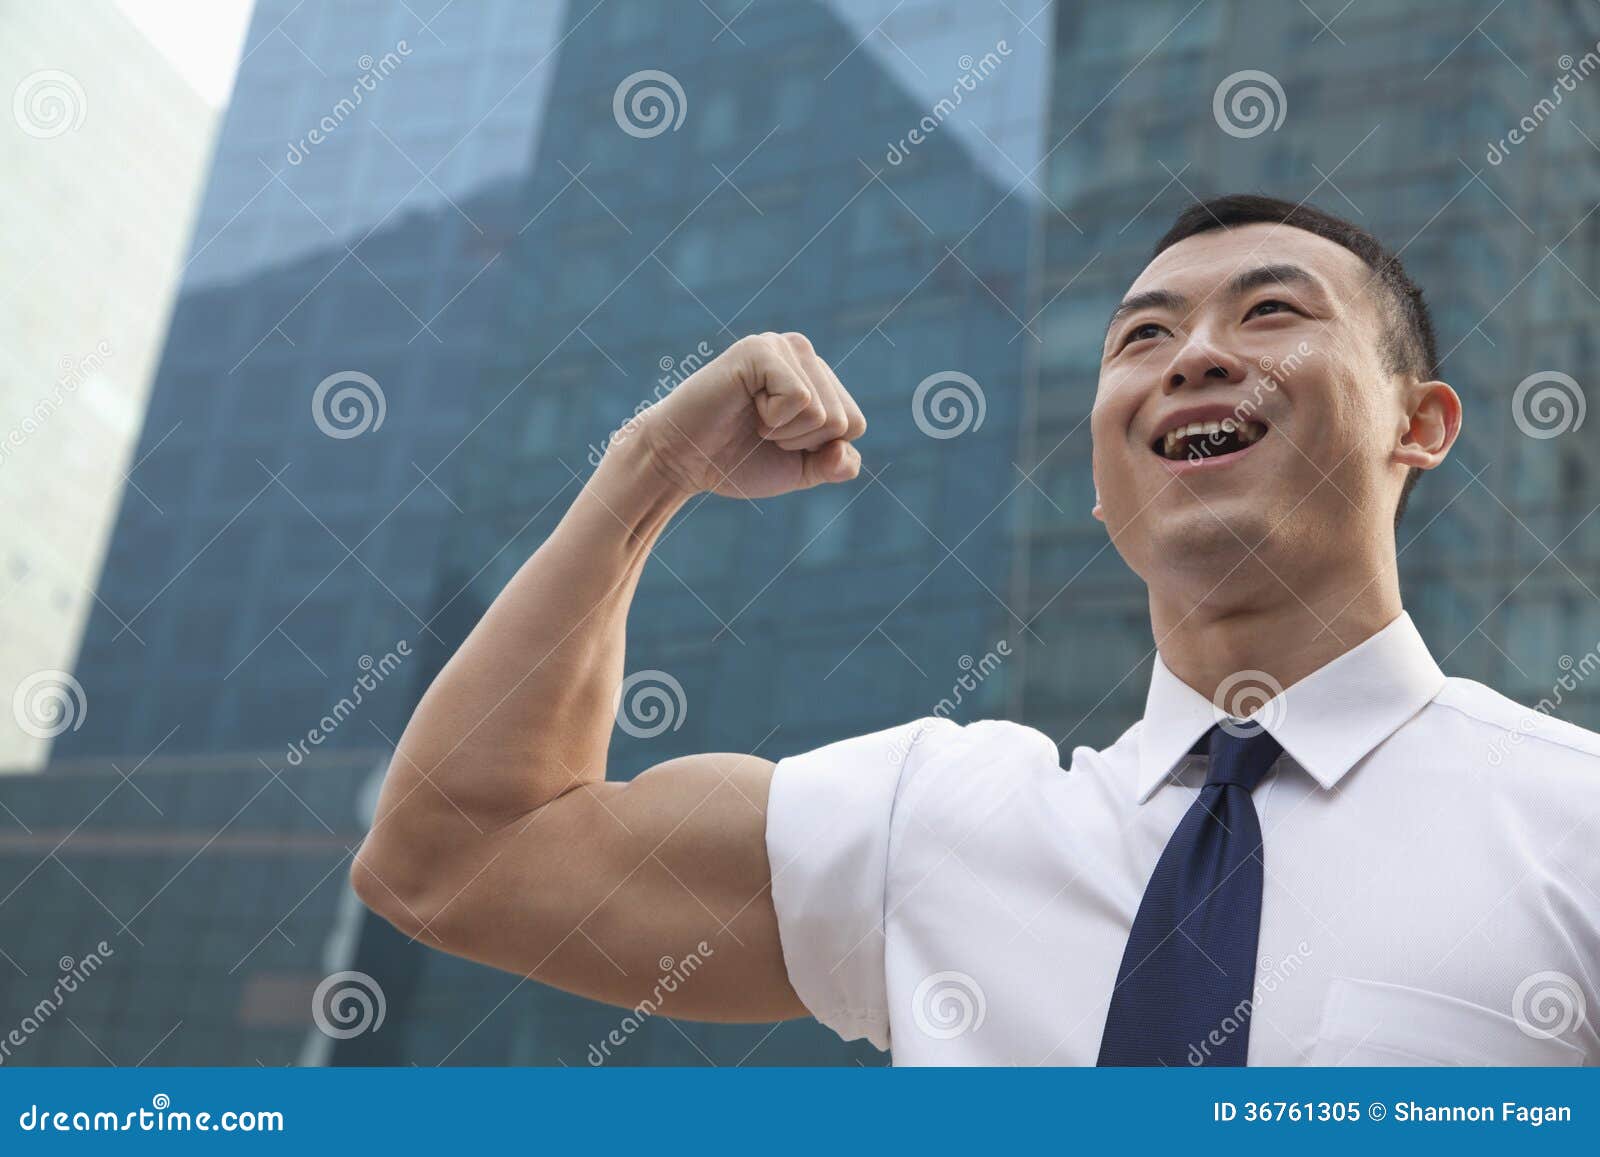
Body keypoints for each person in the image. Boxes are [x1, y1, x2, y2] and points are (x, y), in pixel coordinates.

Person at [352, 194, 1600, 1066]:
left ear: (1421, 423)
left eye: (1271, 312)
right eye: (1143, 336)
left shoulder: (1573, 821)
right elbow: (455, 856)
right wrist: (645, 470)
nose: (1195, 355)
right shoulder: (937, 825)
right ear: (1104, 474)